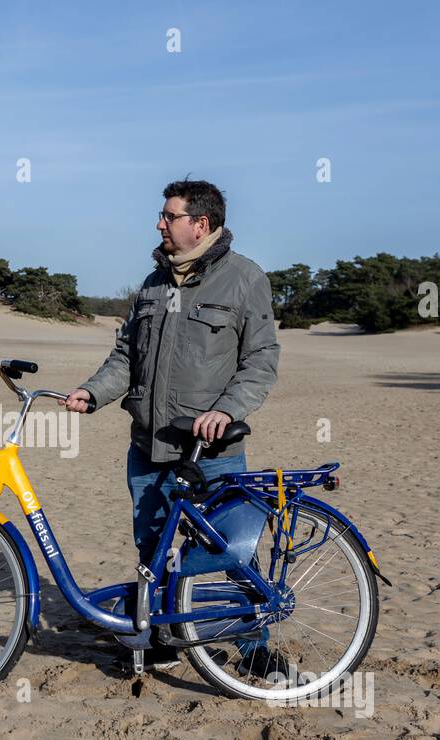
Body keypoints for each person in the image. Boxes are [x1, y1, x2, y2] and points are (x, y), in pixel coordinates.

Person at [60, 179, 280, 672]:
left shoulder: (245, 278)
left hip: (211, 451)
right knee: (152, 549)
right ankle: (160, 636)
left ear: (200, 224)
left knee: (231, 551)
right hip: (149, 446)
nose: (159, 223)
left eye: (169, 216)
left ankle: (254, 647)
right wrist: (93, 392)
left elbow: (261, 359)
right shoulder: (153, 283)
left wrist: (227, 410)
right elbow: (126, 355)